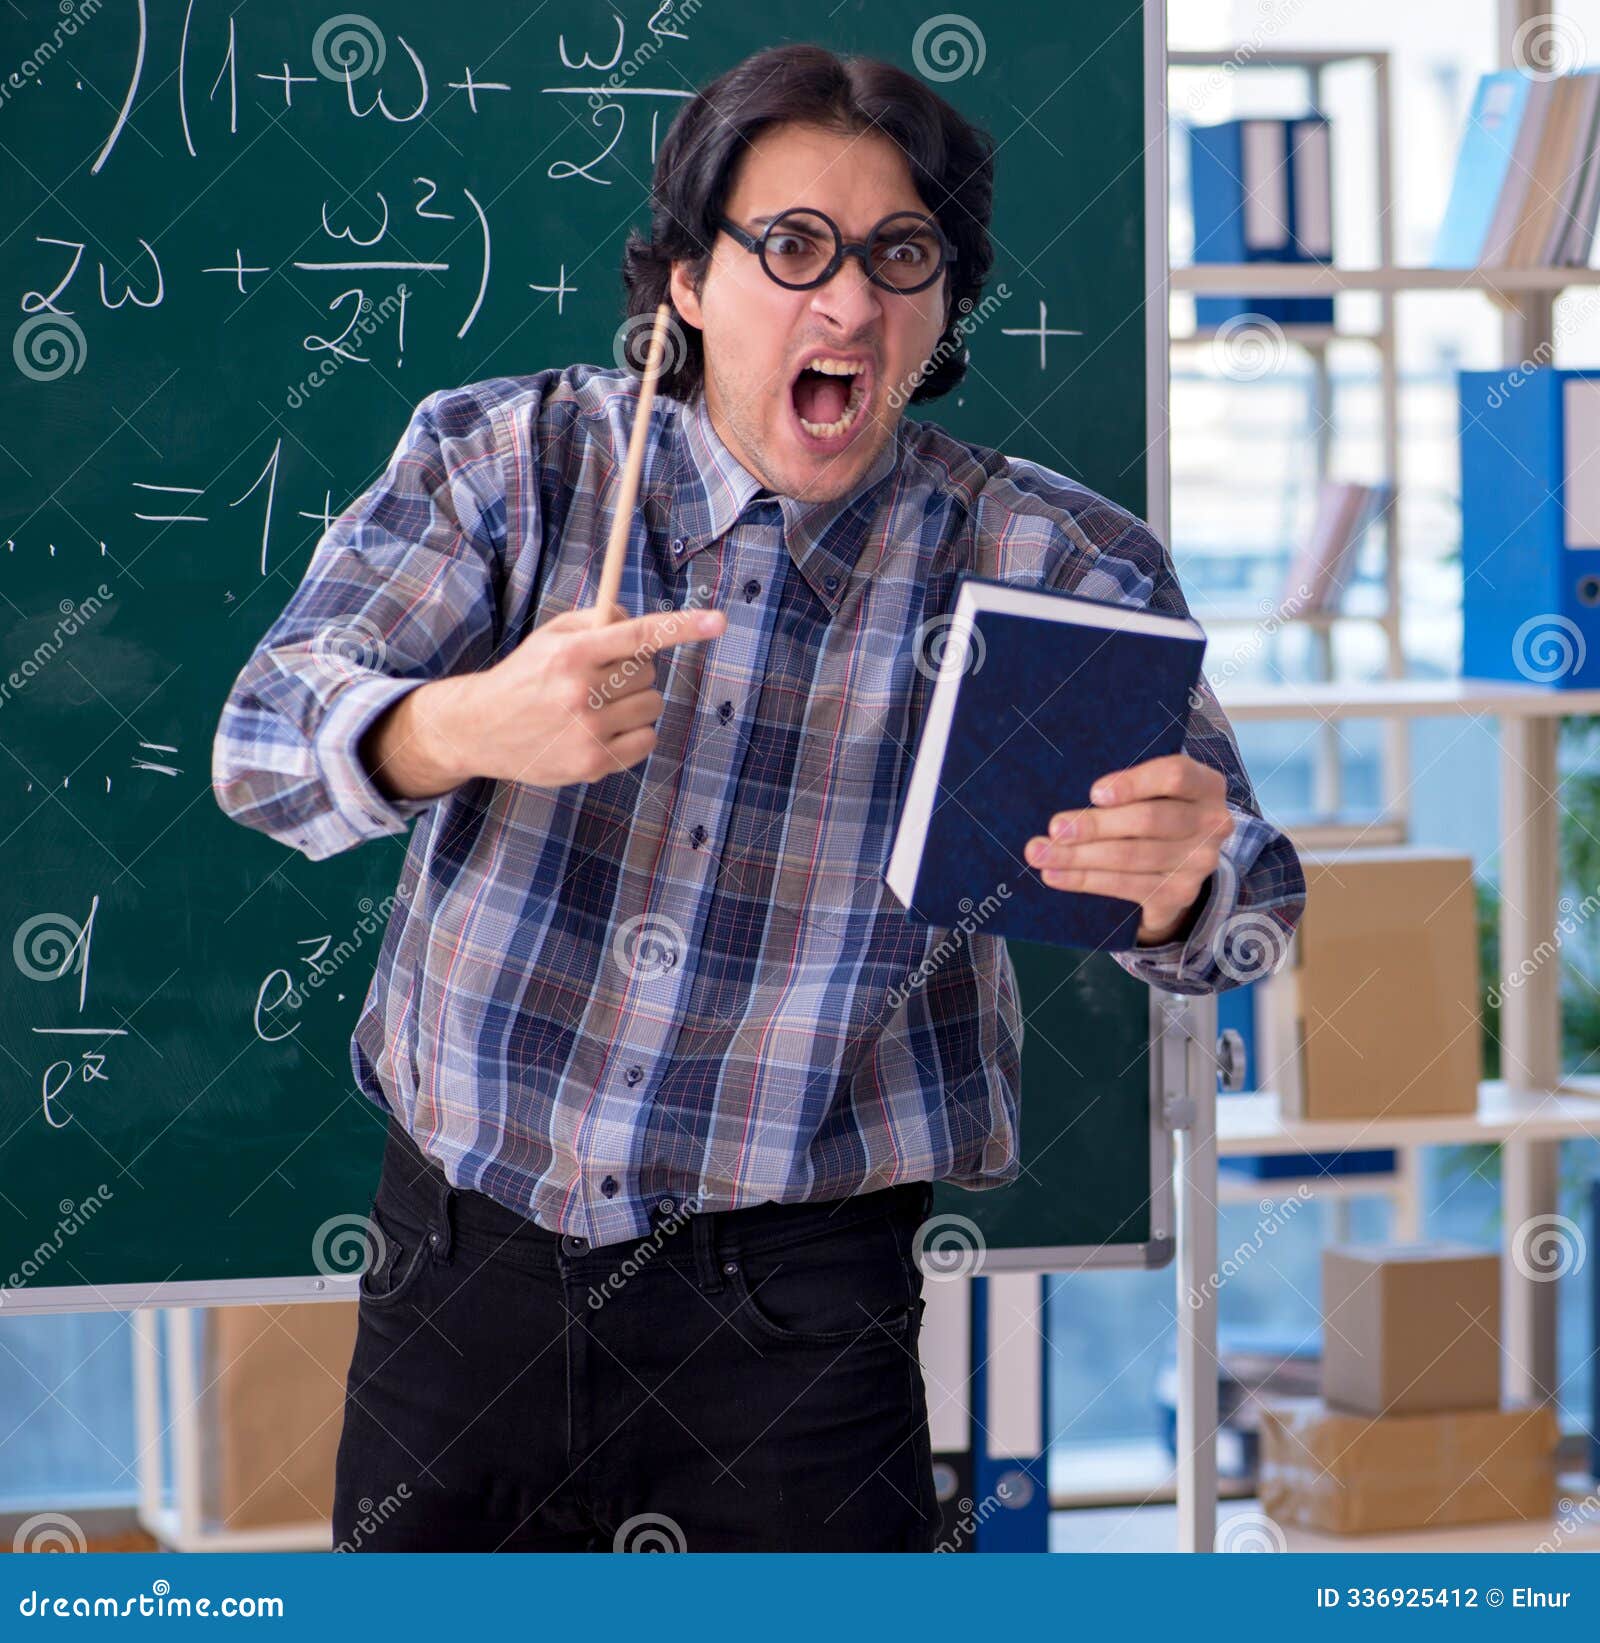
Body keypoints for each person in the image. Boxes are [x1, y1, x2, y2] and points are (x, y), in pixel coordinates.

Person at [212, 42, 1303, 1553]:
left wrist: (1187, 891)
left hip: (800, 1323)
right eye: (793, 247)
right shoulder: (510, 461)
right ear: (687, 280)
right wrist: (464, 721)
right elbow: (261, 748)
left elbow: (1250, 920)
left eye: (900, 256)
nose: (847, 304)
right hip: (462, 1276)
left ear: (943, 303)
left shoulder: (1050, 565)